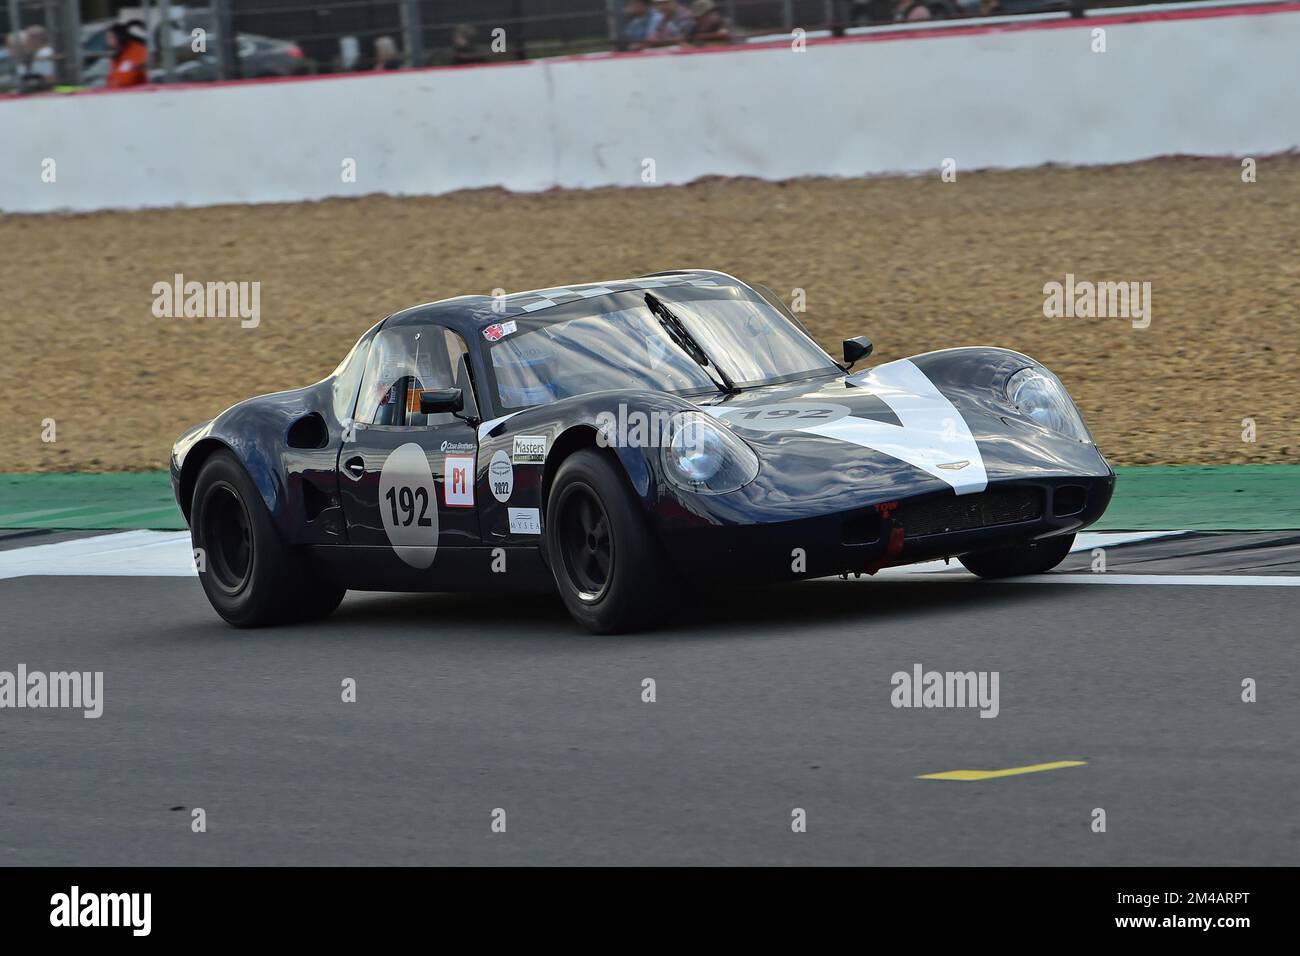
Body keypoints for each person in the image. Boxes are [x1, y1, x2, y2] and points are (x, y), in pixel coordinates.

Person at [106, 19, 149, 89]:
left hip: (139, 91)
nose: (108, 41)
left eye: (110, 37)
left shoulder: (137, 50)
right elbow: (112, 78)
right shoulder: (116, 54)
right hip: (120, 92)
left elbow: (128, 77)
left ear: (119, 37)